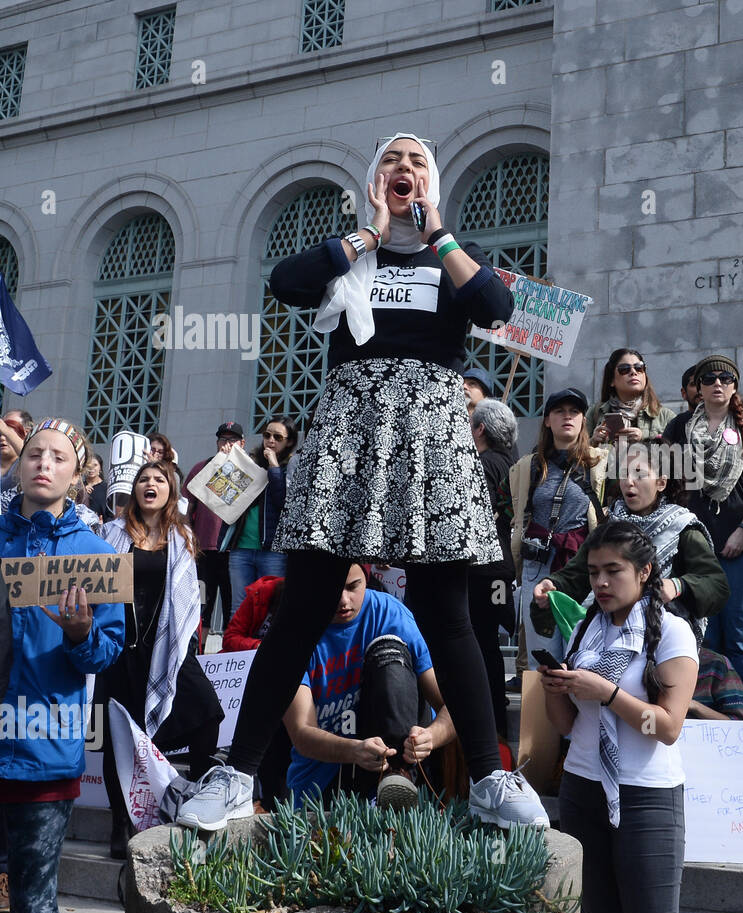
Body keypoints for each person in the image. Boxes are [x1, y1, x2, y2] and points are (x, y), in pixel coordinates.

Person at [176, 132, 547, 831]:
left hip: (432, 435)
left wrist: (436, 233)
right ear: (373, 180)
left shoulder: (448, 259)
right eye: (391, 161)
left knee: (448, 614)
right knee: (303, 607)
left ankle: (493, 776)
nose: (403, 169)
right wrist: (369, 233)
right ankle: (236, 774)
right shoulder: (352, 254)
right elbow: (286, 282)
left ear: (431, 182)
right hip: (350, 428)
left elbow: (496, 304)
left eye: (416, 162)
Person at [540, 519, 699, 913]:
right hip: (580, 786)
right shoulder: (583, 629)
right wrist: (554, 688)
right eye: (594, 573)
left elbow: (667, 728)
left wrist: (608, 694)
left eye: (614, 571)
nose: (601, 583)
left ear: (644, 572)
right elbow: (565, 726)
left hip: (647, 796)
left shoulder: (672, 633)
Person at [0, 419, 124, 913]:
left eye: (57, 457)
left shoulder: (97, 555)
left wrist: (81, 634)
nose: (43, 464)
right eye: (34, 454)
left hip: (42, 747)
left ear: (76, 475)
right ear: (19, 464)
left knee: (33, 906)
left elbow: (106, 654)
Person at [98, 461, 224, 858]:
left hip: (167, 646)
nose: (150, 485)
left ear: (171, 490)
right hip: (122, 649)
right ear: (134, 490)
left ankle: (197, 804)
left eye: (159, 480)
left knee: (208, 714)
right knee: (116, 741)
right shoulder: (110, 534)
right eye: (143, 480)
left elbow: (187, 600)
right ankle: (120, 824)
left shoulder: (182, 537)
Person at [283, 562, 456, 809]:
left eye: (353, 587)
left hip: (397, 761)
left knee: (389, 650)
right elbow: (302, 732)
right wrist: (354, 751)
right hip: (324, 780)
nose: (344, 601)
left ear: (367, 578)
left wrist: (431, 737)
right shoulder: (295, 631)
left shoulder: (388, 612)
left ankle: (396, 776)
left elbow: (452, 706)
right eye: (331, 589)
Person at [663, 356, 743, 720]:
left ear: (734, 385)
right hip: (696, 548)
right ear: (696, 386)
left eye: (725, 377)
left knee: (741, 633)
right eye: (707, 378)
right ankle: (707, 720)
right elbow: (666, 482)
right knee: (703, 637)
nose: (716, 383)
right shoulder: (681, 427)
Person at [531, 439, 729, 648]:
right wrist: (553, 585)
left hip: (662, 639)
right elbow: (577, 574)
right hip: (609, 636)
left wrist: (678, 585)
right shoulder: (610, 525)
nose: (629, 482)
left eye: (639, 474)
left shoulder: (682, 527)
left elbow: (716, 584)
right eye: (624, 473)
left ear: (661, 482)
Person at [508, 387, 606, 669]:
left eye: (574, 412)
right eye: (559, 411)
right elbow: (507, 511)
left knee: (583, 653)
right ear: (547, 420)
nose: (567, 417)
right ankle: (544, 713)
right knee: (544, 656)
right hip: (537, 564)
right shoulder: (528, 467)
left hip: (582, 565)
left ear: (582, 421)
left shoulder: (601, 462)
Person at [469, 398, 518, 740]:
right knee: (488, 643)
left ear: (481, 429)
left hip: (484, 568)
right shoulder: (512, 464)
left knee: (481, 642)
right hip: (501, 568)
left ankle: (491, 719)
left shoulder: (483, 465)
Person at [223, 416, 297, 618]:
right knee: (238, 608)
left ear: (289, 441)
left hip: (272, 550)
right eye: (267, 435)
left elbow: (283, 501)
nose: (271, 440)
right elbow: (225, 496)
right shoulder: (250, 462)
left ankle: (262, 650)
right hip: (241, 548)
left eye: (278, 437)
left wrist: (274, 466)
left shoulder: (290, 467)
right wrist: (225, 463)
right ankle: (235, 650)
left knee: (270, 607)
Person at [588, 348, 673, 504]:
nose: (633, 372)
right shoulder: (595, 413)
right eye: (624, 369)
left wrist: (645, 439)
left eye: (639, 368)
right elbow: (575, 457)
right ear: (612, 380)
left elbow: (676, 460)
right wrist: (593, 442)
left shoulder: (664, 415)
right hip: (605, 497)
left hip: (651, 500)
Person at [184, 421, 244, 635]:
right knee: (202, 607)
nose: (226, 444)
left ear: (242, 444)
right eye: (223, 439)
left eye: (232, 440)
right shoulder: (201, 468)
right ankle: (199, 653)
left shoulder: (246, 470)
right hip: (204, 549)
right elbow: (187, 505)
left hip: (233, 551)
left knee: (232, 608)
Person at [82, 450, 110, 522]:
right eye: (88, 465)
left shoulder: (107, 488)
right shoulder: (79, 486)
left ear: (100, 468)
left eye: (95, 465)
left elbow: (110, 512)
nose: (91, 468)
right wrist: (82, 491)